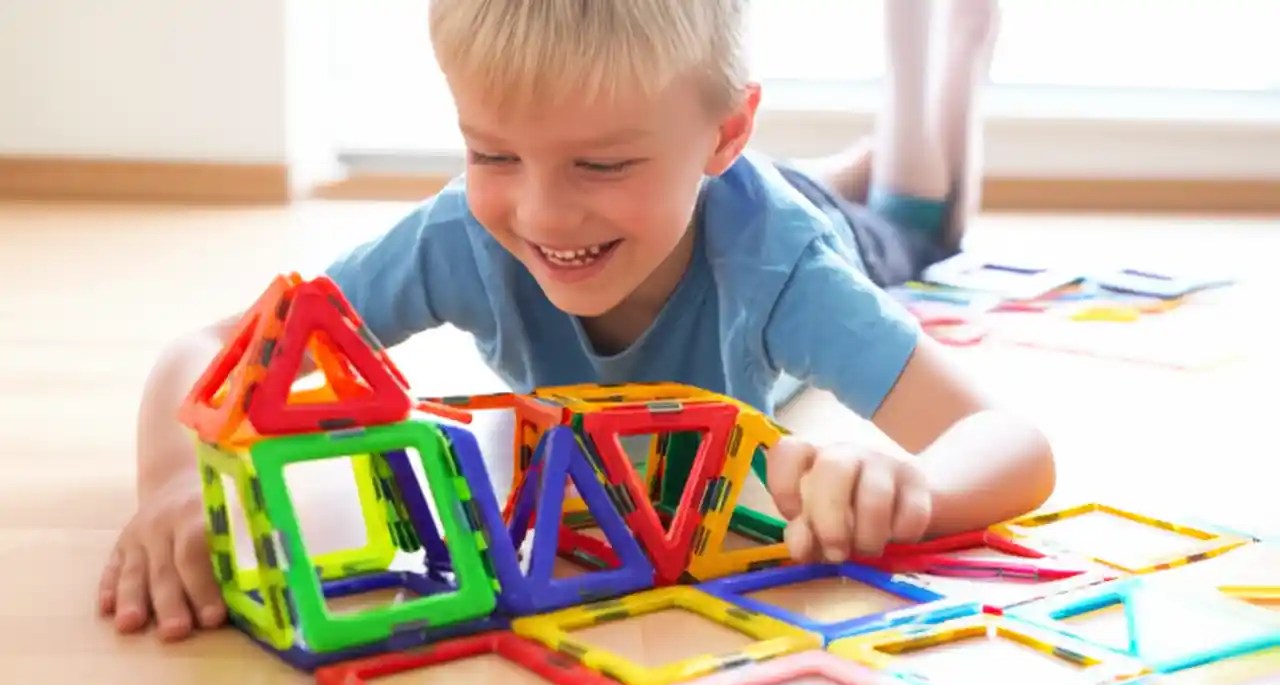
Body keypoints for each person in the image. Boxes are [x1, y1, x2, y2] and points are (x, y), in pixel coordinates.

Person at [99, 0, 1053, 642]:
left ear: (723, 136)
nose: (544, 216)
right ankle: (843, 155)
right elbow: (201, 349)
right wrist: (171, 483)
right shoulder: (462, 236)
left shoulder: (788, 271)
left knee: (917, 225)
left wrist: (913, 488)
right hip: (714, 187)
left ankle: (941, 69)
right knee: (815, 186)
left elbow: (1009, 440)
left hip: (805, 220)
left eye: (601, 166)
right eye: (492, 152)